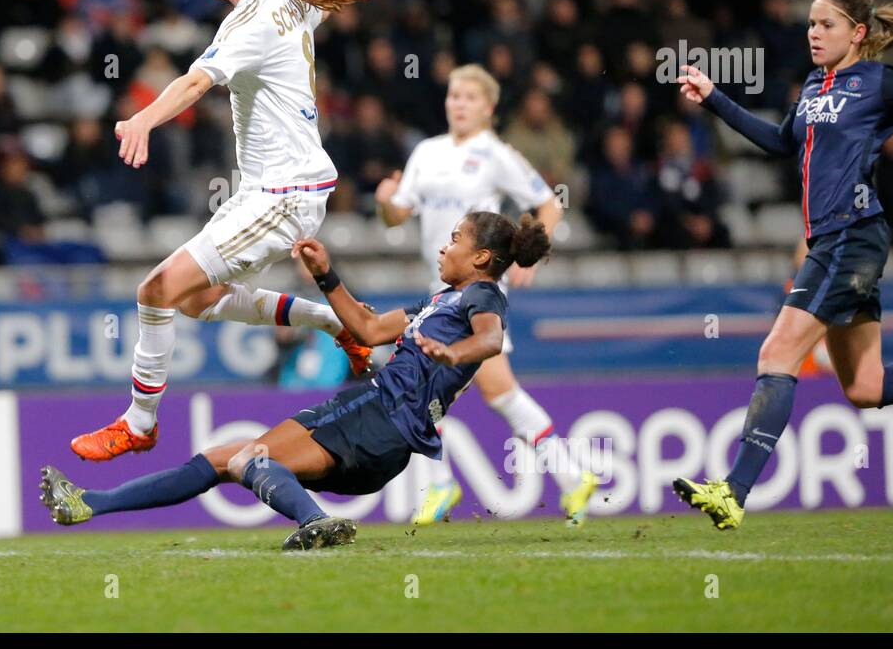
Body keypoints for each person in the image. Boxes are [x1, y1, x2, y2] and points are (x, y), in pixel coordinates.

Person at [41, 212, 551, 550]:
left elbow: (488, 341)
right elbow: (369, 329)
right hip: (384, 438)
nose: (445, 247)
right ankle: (91, 502)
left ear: (482, 259)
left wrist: (451, 351)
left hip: (378, 417)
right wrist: (326, 276)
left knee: (244, 460)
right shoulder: (439, 301)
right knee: (225, 458)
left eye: (456, 240)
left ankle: (313, 523)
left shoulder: (481, 298)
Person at [69, 0, 373, 461]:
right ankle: (337, 323)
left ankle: (139, 423)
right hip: (285, 190)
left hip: (282, 194)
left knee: (156, 289)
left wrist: (141, 120)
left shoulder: (251, 22)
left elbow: (194, 83)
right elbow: (313, 2)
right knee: (192, 299)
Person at [673, 0, 893, 529]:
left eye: (826, 24)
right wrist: (715, 97)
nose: (813, 33)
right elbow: (783, 141)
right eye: (809, 23)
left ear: (857, 32)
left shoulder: (879, 83)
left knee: (776, 352)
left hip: (852, 235)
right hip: (833, 240)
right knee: (865, 387)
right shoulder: (812, 84)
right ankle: (732, 492)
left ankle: (733, 492)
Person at [374, 64, 598, 526]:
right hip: (439, 291)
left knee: (420, 384)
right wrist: (385, 198)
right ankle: (572, 476)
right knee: (493, 391)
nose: (459, 104)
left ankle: (439, 485)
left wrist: (526, 259)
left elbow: (548, 203)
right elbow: (395, 218)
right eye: (454, 95)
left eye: (470, 98)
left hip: (475, 292)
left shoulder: (495, 155)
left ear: (489, 108)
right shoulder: (427, 152)